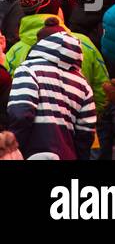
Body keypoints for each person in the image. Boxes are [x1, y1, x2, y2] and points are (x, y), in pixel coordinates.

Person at [6, 30, 97, 160]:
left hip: (31, 154)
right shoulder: (83, 84)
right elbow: (86, 132)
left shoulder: (28, 69)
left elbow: (20, 113)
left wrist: (13, 148)